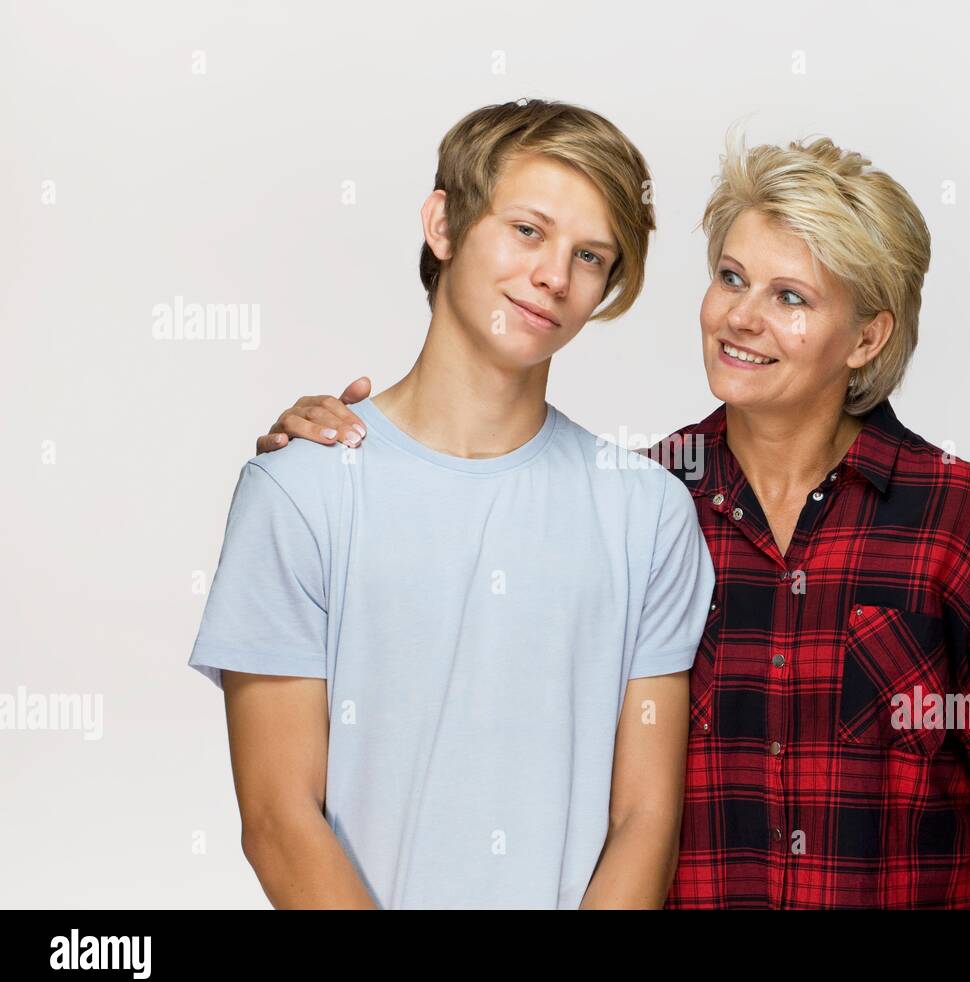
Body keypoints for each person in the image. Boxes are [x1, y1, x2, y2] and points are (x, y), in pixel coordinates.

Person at [255, 131, 970, 909]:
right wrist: (338, 461)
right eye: (731, 278)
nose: (741, 316)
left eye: (790, 296)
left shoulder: (959, 520)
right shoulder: (643, 504)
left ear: (866, 337)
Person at [188, 99, 715, 909]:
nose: (552, 276)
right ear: (442, 223)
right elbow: (277, 816)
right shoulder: (300, 490)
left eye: (590, 256)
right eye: (528, 230)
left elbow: (645, 817)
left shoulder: (647, 514)